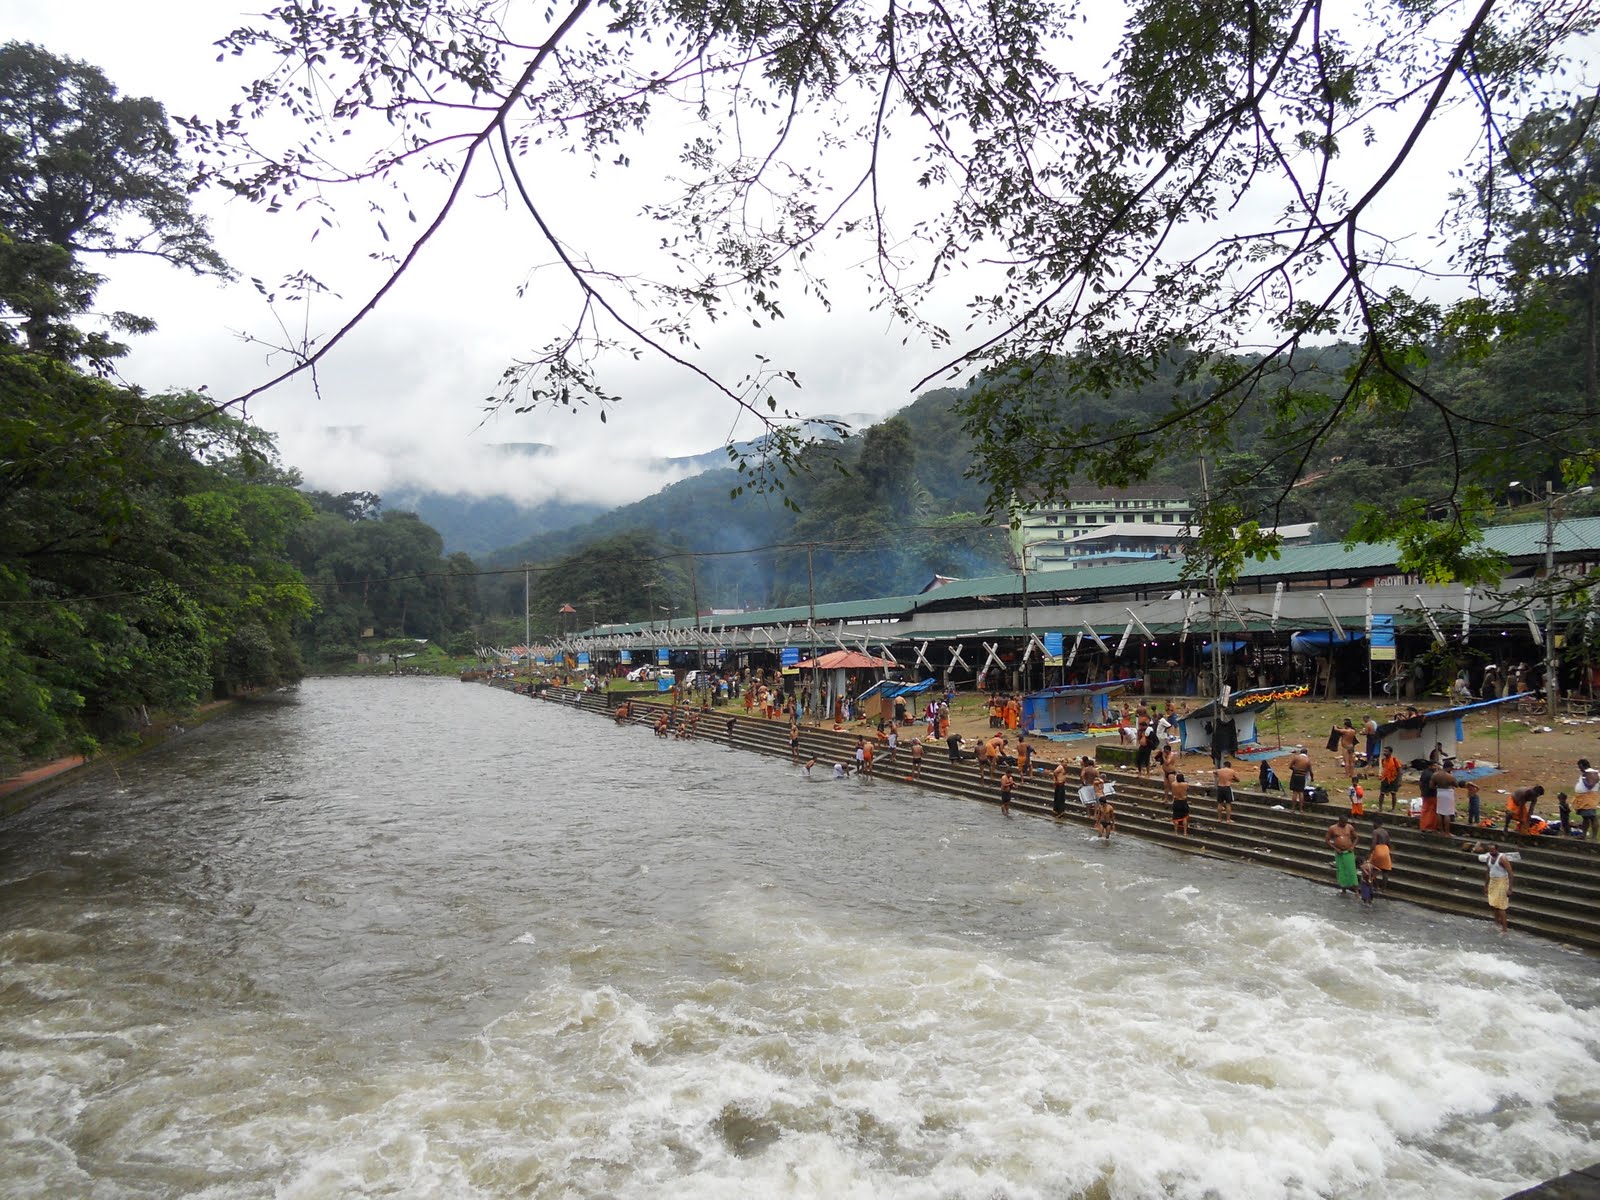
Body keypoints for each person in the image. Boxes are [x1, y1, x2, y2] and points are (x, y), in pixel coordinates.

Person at [1478, 844, 1515, 932]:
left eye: (1493, 851)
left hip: (1502, 882)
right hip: (1493, 882)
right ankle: (1496, 922)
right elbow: (1488, 871)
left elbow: (1511, 874)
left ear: (1497, 850)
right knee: (1494, 903)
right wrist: (1486, 885)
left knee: (1501, 906)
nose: (1491, 852)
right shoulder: (1489, 858)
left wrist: (1510, 888)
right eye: (1490, 851)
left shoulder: (1503, 859)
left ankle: (1504, 928)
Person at [1325, 811, 1359, 894]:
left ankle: (1356, 891)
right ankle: (1344, 889)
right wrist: (1335, 848)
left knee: (1351, 871)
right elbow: (1327, 840)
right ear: (1339, 821)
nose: (1344, 824)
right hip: (1339, 853)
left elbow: (1357, 838)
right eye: (1343, 823)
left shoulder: (1349, 827)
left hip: (1349, 852)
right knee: (1342, 871)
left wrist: (1352, 846)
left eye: (1346, 823)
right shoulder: (1332, 828)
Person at [1574, 761, 1599, 839]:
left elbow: (1590, 786)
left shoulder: (1591, 773)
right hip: (1583, 797)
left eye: (1580, 766)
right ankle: (1583, 835)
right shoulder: (1588, 773)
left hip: (1588, 797)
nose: (1579, 768)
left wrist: (1584, 778)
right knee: (1585, 817)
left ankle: (1594, 837)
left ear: (1583, 766)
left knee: (1592, 817)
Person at [1432, 760, 1457, 837]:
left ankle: (1441, 831)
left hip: (1439, 792)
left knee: (1439, 812)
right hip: (1448, 793)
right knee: (1447, 814)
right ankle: (1447, 832)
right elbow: (1456, 784)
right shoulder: (1450, 776)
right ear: (1449, 768)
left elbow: (1431, 786)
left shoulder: (1435, 775)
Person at [1368, 815, 1393, 890]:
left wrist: (1370, 852)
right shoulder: (1385, 832)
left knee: (1373, 869)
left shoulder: (1375, 831)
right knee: (1385, 871)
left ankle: (1376, 886)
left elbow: (1373, 843)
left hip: (1378, 849)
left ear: (1375, 823)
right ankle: (1384, 889)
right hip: (1385, 849)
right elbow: (1389, 843)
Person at [1288, 746, 1312, 813]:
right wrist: (1312, 778)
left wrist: (1295, 770)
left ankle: (1293, 809)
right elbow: (1310, 771)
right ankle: (1301, 809)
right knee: (1301, 793)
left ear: (1300, 752)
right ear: (1306, 753)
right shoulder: (1308, 760)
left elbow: (1290, 766)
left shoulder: (1296, 757)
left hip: (1295, 775)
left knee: (1295, 792)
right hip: (1302, 777)